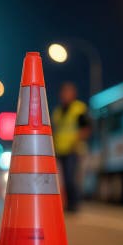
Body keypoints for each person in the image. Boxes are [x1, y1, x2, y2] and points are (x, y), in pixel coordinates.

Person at [52, 82, 91, 212]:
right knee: (63, 180)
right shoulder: (57, 112)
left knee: (71, 178)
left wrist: (76, 142)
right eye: (64, 92)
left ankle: (74, 205)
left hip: (74, 150)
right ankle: (68, 204)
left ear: (74, 94)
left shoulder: (79, 109)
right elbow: (55, 131)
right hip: (60, 151)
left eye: (68, 92)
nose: (65, 95)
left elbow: (86, 128)